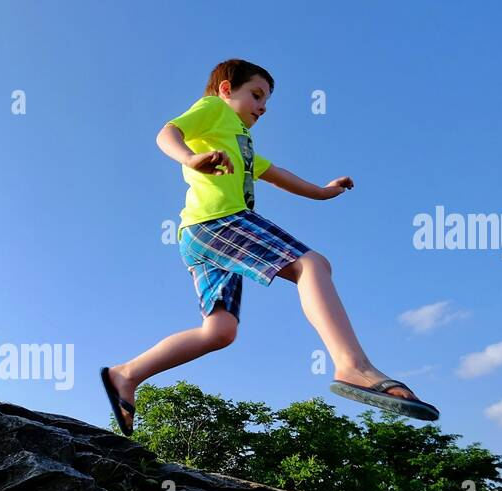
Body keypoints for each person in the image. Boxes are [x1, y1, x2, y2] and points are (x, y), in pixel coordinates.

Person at [100, 58, 439, 435]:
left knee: (219, 332)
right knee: (311, 264)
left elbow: (279, 176)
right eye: (256, 95)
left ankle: (125, 375)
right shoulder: (213, 109)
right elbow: (166, 133)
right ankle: (353, 365)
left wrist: (325, 192)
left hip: (199, 238)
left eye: (266, 102)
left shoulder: (240, 144)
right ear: (227, 89)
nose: (262, 107)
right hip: (217, 222)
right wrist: (191, 159)